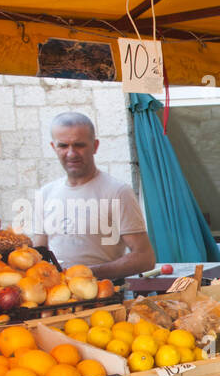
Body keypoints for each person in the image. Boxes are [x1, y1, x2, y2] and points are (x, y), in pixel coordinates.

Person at [31, 112, 155, 280]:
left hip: (105, 296)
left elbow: (144, 258)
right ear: (53, 147)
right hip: (57, 298)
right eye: (63, 146)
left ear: (95, 146)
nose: (71, 153)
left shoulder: (117, 192)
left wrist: (86, 274)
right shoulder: (45, 194)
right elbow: (39, 253)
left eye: (79, 145)